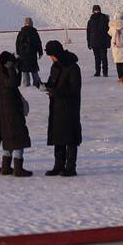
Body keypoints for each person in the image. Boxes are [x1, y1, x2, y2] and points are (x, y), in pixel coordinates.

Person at [43, 39, 82, 177]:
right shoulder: (55, 66)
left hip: (69, 107)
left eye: (51, 55)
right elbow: (53, 82)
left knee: (70, 138)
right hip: (56, 107)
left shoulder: (72, 67)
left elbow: (74, 90)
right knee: (58, 137)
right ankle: (58, 165)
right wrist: (44, 86)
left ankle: (70, 167)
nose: (51, 58)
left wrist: (56, 92)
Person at [0, 51, 33, 176]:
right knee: (17, 138)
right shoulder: (5, 72)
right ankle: (18, 168)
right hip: (12, 110)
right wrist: (12, 68)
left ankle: (6, 167)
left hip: (4, 110)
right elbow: (13, 83)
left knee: (8, 137)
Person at [15, 16, 44, 87]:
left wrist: (18, 52)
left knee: (25, 71)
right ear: (31, 24)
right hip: (32, 55)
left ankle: (26, 85)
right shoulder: (34, 32)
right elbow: (38, 43)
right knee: (34, 70)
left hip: (23, 56)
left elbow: (17, 43)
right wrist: (40, 52)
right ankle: (37, 83)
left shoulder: (21, 33)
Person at [86, 4, 110, 77]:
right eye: (95, 10)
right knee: (97, 58)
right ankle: (98, 72)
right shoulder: (91, 20)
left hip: (102, 42)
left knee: (103, 58)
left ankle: (105, 72)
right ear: (93, 11)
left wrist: (108, 42)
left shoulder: (105, 19)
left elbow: (108, 31)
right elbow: (88, 32)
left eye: (97, 9)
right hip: (94, 42)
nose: (96, 11)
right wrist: (89, 42)